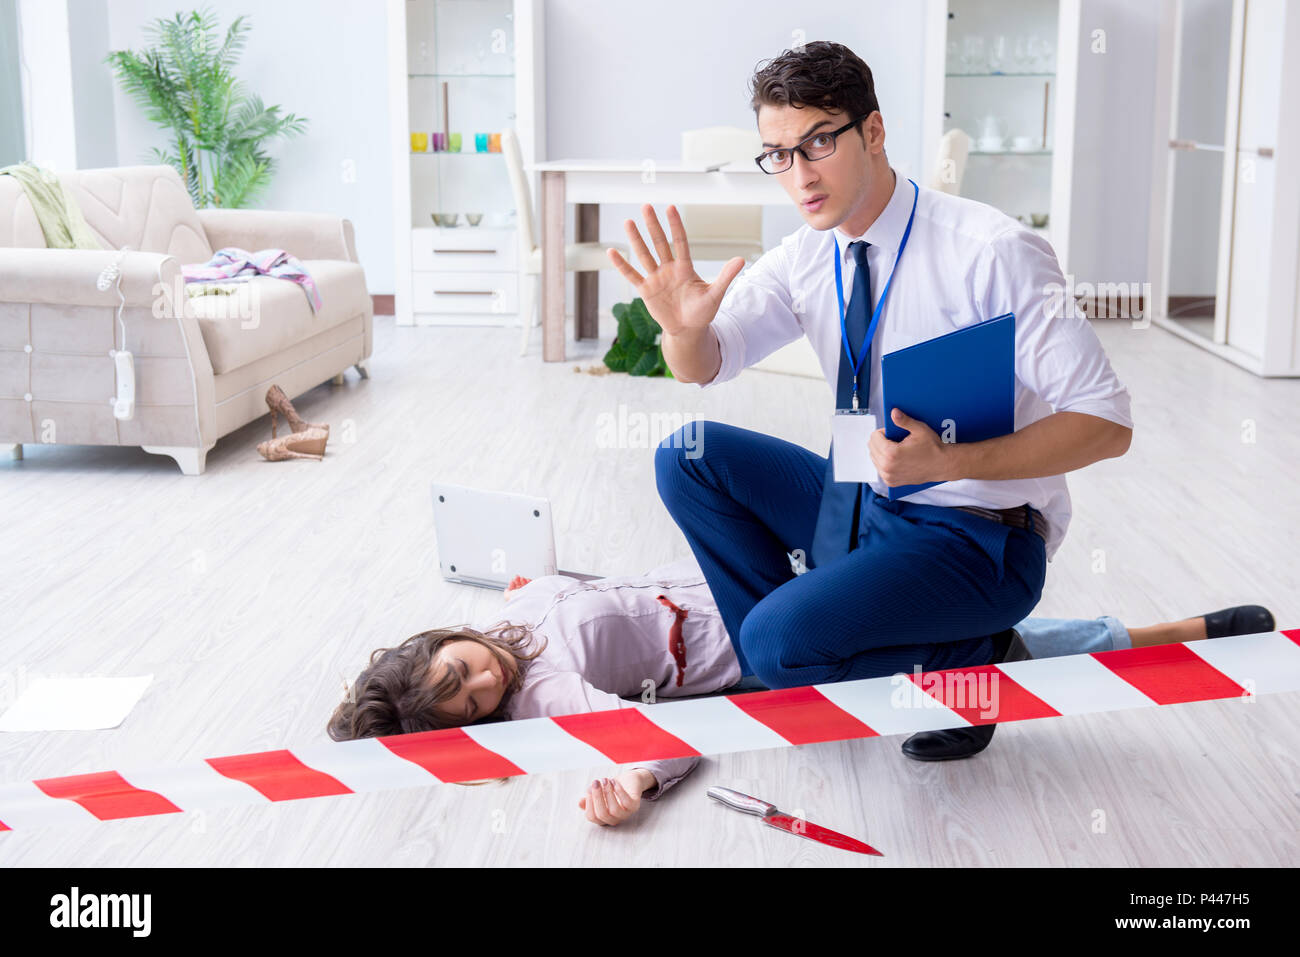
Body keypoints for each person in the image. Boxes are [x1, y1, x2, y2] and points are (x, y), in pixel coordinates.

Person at [607, 40, 1135, 763]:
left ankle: (960, 663)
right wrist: (680, 331)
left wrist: (949, 459)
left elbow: (1107, 424)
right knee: (688, 456)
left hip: (976, 535)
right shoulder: (805, 255)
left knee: (769, 638)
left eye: (818, 142)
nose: (799, 175)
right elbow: (707, 363)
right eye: (779, 154)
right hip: (866, 502)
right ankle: (800, 666)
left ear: (873, 132)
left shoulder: (992, 250)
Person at [326, 555, 1275, 828]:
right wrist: (642, 786)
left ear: (438, 640)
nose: (483, 679)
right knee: (977, 651)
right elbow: (663, 742)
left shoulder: (521, 610)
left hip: (760, 578)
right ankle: (1181, 635)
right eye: (467, 702)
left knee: (968, 630)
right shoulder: (547, 699)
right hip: (778, 643)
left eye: (461, 666)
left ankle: (1175, 636)